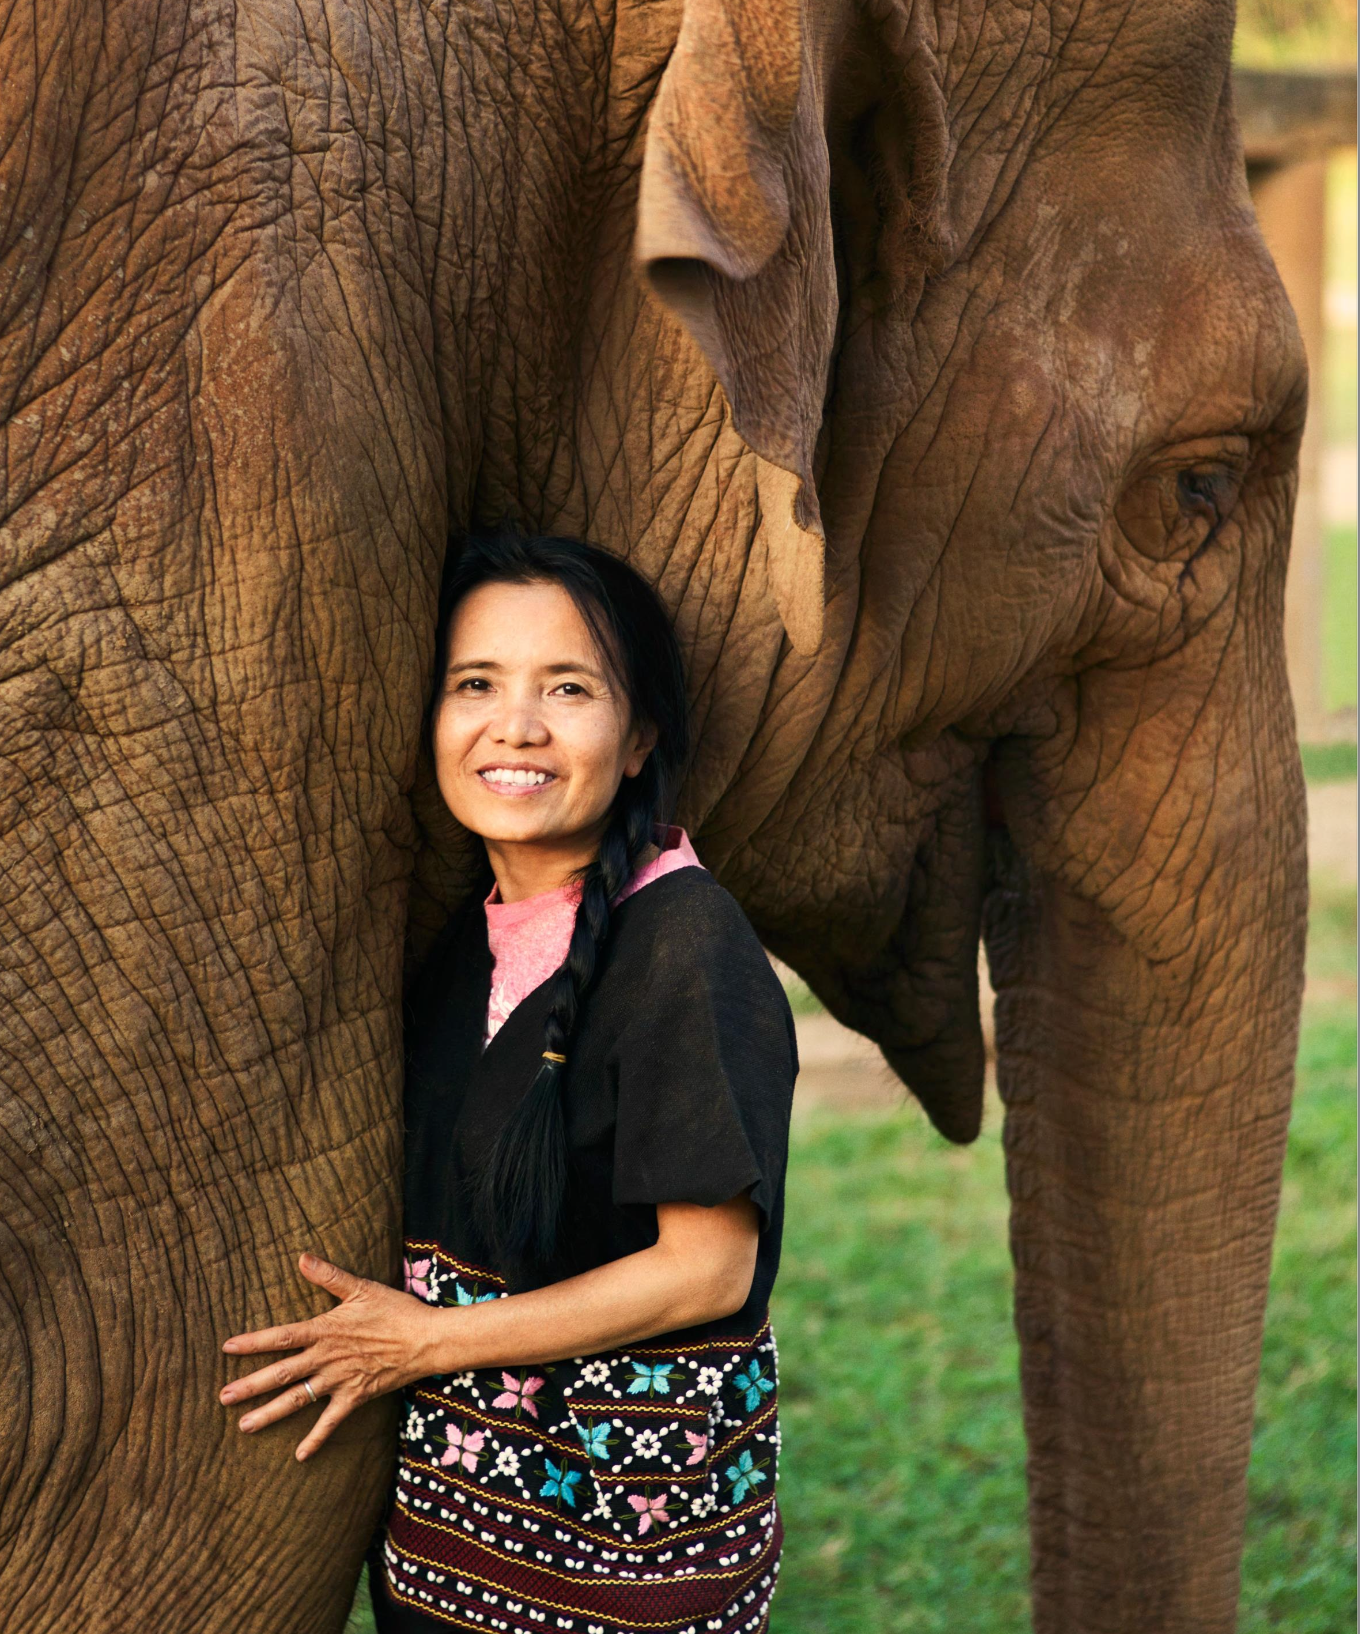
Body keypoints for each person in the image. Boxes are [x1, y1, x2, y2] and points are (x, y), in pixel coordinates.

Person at [217, 528, 798, 1634]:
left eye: (568, 687)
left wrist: (424, 1341)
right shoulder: (463, 940)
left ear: (638, 740)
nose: (514, 725)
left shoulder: (684, 942)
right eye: (475, 682)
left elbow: (708, 1268)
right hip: (452, 1558)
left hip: (622, 1573)